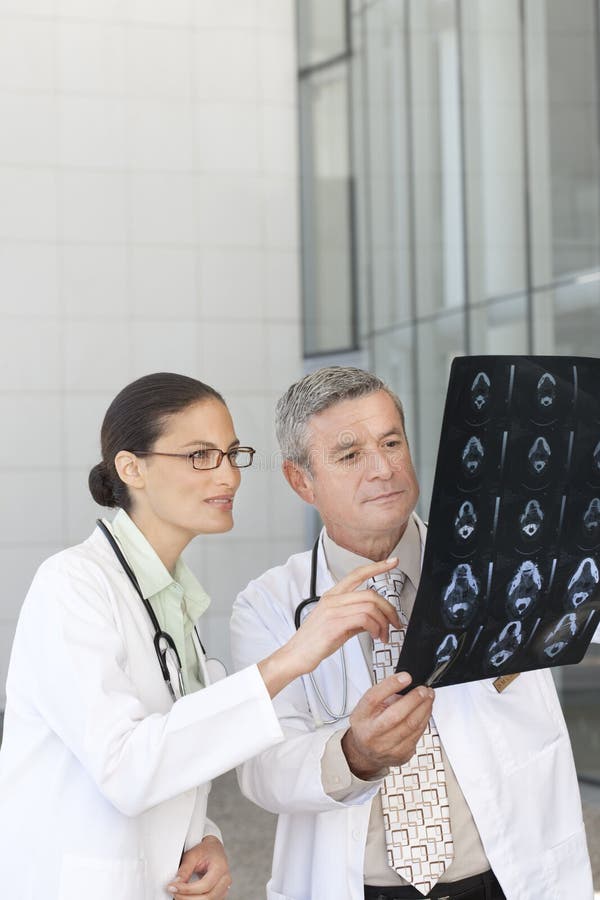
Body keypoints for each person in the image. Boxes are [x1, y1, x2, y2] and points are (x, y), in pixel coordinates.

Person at [0, 372, 405, 900]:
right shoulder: (72, 584)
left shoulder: (171, 599)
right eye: (200, 456)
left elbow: (180, 748)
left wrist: (201, 837)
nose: (229, 476)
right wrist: (294, 656)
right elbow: (125, 768)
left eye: (232, 453)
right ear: (131, 468)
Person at [230, 366, 596, 900]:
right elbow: (261, 770)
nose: (382, 469)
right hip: (360, 886)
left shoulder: (508, 564)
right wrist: (356, 753)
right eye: (350, 454)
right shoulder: (267, 606)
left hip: (508, 879)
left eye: (392, 442)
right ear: (300, 480)